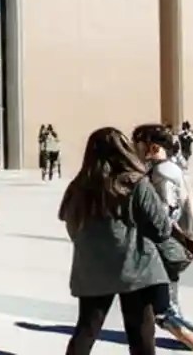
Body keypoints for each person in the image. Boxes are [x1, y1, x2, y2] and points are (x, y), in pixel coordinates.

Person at [59, 127, 173, 355]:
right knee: (140, 333)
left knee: (86, 330)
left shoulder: (78, 186)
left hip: (92, 268)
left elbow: (68, 222)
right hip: (135, 267)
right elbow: (162, 229)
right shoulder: (136, 183)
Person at [131, 124, 193, 355]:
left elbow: (166, 211)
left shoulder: (163, 172)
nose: (135, 148)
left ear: (153, 147)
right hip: (169, 243)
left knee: (164, 307)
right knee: (164, 301)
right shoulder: (165, 169)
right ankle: (189, 338)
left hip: (165, 244)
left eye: (138, 144)